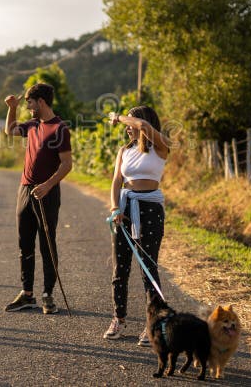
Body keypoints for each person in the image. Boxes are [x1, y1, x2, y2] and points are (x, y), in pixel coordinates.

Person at [3, 82, 72, 314]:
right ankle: (27, 293)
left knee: (47, 244)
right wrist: (12, 108)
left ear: (41, 101)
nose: (28, 108)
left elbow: (67, 164)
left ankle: (47, 295)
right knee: (25, 243)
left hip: (47, 192)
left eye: (30, 103)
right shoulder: (32, 125)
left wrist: (47, 185)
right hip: (25, 190)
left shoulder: (60, 128)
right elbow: (9, 131)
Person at [103, 106, 170, 346]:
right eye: (125, 124)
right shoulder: (124, 150)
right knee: (120, 269)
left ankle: (153, 324)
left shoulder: (160, 146)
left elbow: (144, 128)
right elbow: (116, 181)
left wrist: (117, 117)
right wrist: (114, 209)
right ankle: (118, 319)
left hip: (149, 210)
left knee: (148, 269)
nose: (127, 128)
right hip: (125, 208)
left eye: (130, 123)